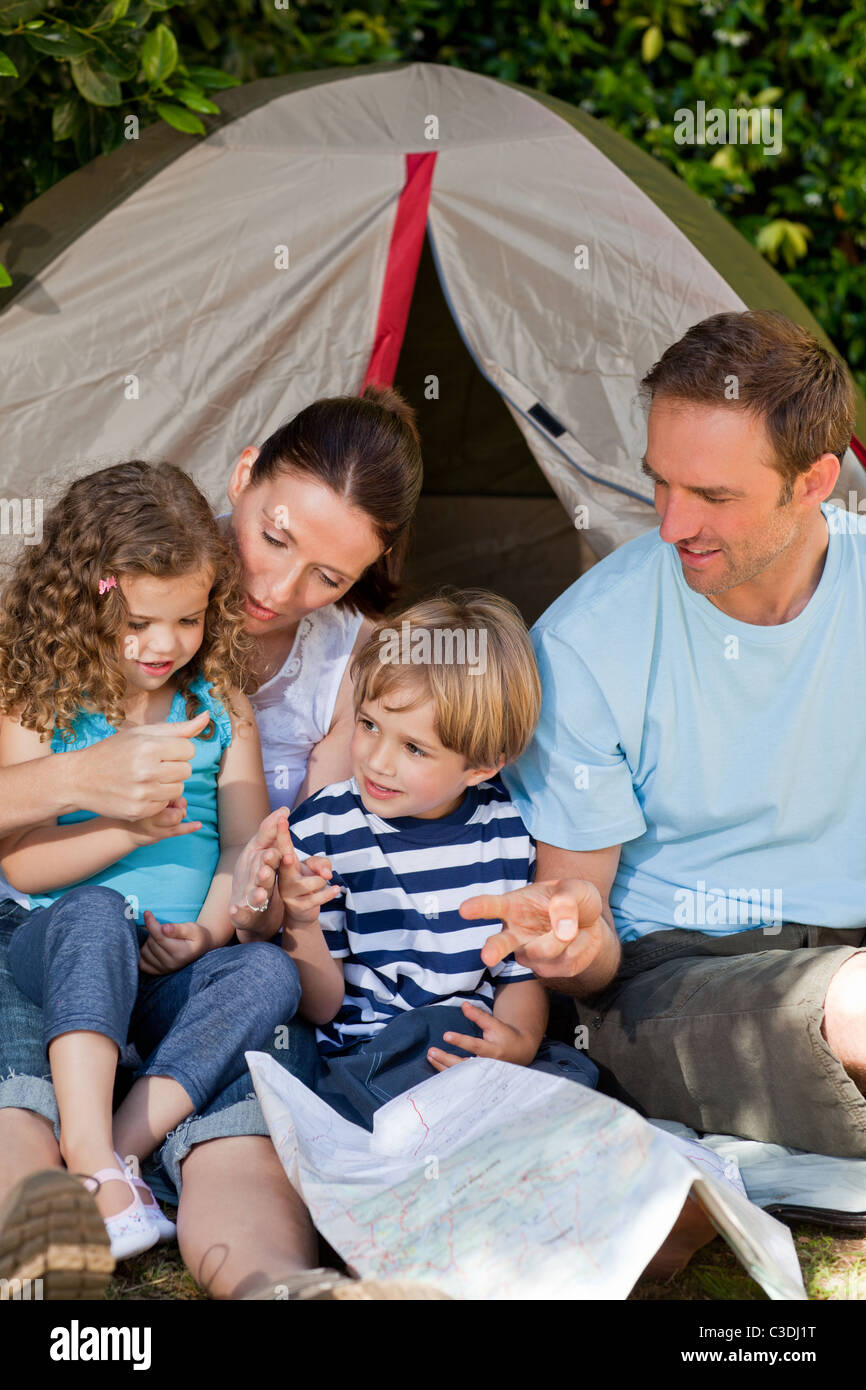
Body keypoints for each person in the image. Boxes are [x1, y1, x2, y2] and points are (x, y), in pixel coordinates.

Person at [500, 309, 866, 1160]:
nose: (670, 526)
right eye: (660, 482)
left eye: (713, 496)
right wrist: (570, 940)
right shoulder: (588, 642)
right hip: (670, 980)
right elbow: (581, 924)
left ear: (814, 481)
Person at [0, 461, 301, 1260]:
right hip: (57, 950)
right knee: (98, 913)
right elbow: (22, 869)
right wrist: (126, 832)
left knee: (271, 976)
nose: (165, 645)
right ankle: (94, 1155)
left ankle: (115, 1149)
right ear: (81, 600)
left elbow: (240, 842)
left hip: (168, 967)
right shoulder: (42, 700)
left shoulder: (220, 705)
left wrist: (205, 934)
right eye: (138, 622)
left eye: (189, 620)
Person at [252, 591, 599, 1133]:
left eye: (414, 748)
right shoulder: (326, 829)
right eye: (368, 725)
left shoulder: (506, 832)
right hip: (372, 1057)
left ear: (481, 766)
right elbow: (320, 1007)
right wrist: (299, 920)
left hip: (470, 1051)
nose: (377, 761)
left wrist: (516, 1042)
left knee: (570, 1073)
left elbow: (517, 973)